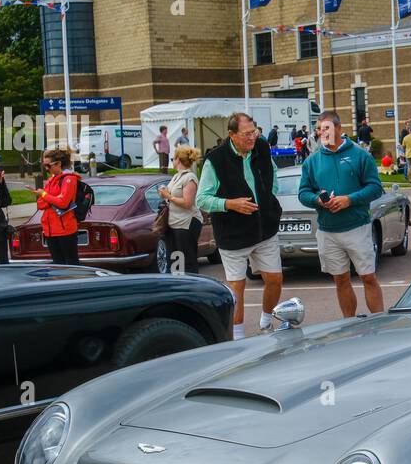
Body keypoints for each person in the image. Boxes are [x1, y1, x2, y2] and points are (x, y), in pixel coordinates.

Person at [195, 112, 283, 339]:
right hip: (233, 235)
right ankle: (238, 337)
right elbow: (201, 199)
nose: (252, 138)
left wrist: (269, 196)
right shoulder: (215, 160)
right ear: (232, 135)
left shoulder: (262, 147)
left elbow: (272, 172)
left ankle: (266, 321)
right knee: (237, 288)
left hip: (266, 229)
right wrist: (230, 204)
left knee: (275, 279)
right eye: (246, 134)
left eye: (253, 132)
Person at [297, 111, 385, 317]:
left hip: (357, 227)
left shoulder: (360, 155)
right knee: (340, 280)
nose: (321, 133)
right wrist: (317, 200)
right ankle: (349, 325)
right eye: (319, 129)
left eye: (325, 128)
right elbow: (303, 193)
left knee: (368, 278)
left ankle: (380, 324)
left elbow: (375, 188)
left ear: (338, 128)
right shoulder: (312, 161)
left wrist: (349, 200)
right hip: (328, 231)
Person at [158, 144, 202, 274]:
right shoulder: (177, 176)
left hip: (186, 223)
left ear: (178, 159)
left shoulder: (190, 177)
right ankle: (178, 287)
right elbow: (171, 197)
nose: (172, 161)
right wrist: (165, 194)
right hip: (174, 223)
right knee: (175, 260)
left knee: (187, 261)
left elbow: (187, 203)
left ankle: (191, 288)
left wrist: (168, 196)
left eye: (173, 158)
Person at [36, 147, 80, 265]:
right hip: (50, 230)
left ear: (58, 164)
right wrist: (52, 198)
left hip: (65, 229)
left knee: (71, 264)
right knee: (57, 264)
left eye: (48, 166)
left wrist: (44, 194)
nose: (46, 169)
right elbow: (40, 204)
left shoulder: (69, 179)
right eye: (44, 166)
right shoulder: (51, 180)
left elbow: (63, 203)